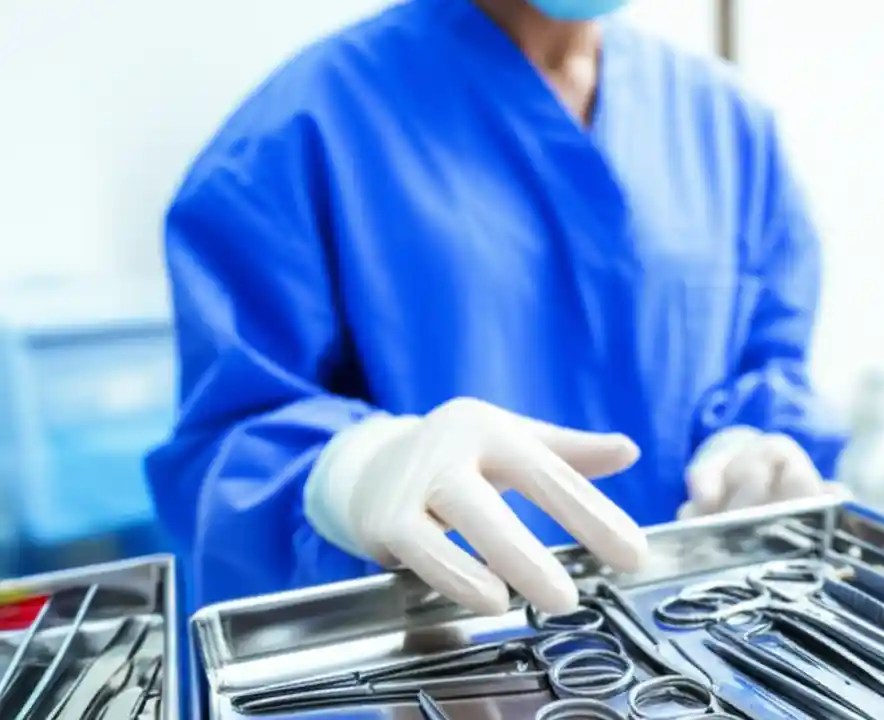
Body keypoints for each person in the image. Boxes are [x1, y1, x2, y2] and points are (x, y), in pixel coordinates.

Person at [146, 0, 845, 616]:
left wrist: (748, 449)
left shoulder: (726, 124)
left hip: (687, 643)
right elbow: (227, 443)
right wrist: (354, 473)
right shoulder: (299, 129)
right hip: (434, 661)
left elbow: (770, 356)